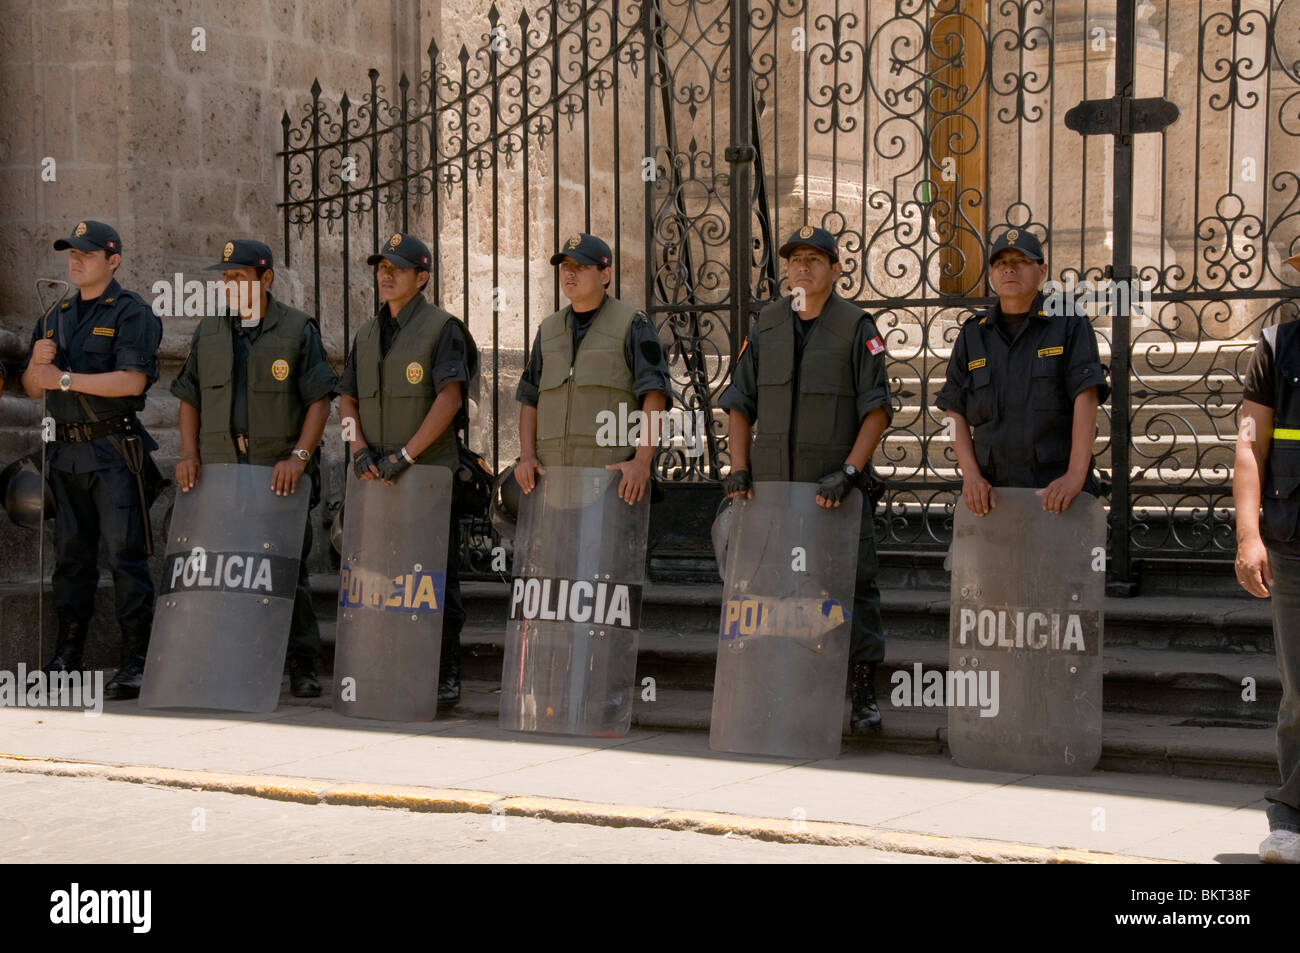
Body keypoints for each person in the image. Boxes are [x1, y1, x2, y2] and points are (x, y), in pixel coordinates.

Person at [719, 225, 893, 734]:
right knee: (773, 589)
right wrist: (739, 468)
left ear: (836, 270)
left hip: (833, 495)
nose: (802, 267)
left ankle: (861, 693)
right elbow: (739, 403)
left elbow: (877, 410)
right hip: (773, 493)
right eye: (795, 259)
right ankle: (779, 681)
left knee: (851, 591)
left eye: (815, 259)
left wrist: (850, 471)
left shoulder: (858, 327)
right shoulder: (767, 325)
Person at [169, 239, 337, 698]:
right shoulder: (209, 332)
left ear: (265, 280)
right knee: (224, 568)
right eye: (225, 279)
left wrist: (299, 458)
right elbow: (189, 398)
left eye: (239, 278)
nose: (230, 286)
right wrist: (189, 455)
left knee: (285, 570)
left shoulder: (298, 329)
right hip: (221, 473)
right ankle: (230, 658)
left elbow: (319, 401)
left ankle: (301, 664)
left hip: (275, 473)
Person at [20, 220, 163, 699]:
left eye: (86, 253)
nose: (75, 260)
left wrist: (61, 378)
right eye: (70, 253)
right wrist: (37, 368)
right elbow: (29, 386)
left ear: (113, 260)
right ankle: (68, 655)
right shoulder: (55, 313)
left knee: (127, 557)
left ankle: (136, 660)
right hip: (65, 452)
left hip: (113, 451)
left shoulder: (131, 312)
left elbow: (131, 382)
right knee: (71, 560)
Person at [337, 232, 479, 706]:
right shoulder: (366, 332)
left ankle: (444, 675)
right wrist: (357, 447)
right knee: (379, 577)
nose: (386, 273)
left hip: (426, 475)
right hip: (375, 473)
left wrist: (408, 456)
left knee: (433, 577)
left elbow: (450, 397)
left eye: (397, 267)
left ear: (422, 277)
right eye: (381, 266)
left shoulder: (443, 328)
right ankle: (384, 668)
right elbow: (347, 396)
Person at [935, 229, 1109, 517]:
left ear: (1042, 271)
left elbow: (1086, 396)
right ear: (991, 273)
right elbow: (953, 410)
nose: (1010, 268)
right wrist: (971, 475)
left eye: (1021, 261)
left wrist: (1075, 476)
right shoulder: (972, 335)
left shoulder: (1067, 323)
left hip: (1055, 491)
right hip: (994, 495)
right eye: (1001, 263)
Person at [514, 232, 672, 500]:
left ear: (605, 275)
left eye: (581, 267)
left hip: (611, 486)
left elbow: (654, 394)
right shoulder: (548, 330)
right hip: (551, 486)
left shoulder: (633, 324)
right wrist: (527, 456)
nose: (570, 274)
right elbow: (530, 397)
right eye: (565, 267)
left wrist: (642, 462)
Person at [1232, 247, 1300, 865]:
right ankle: (1290, 820)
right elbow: (1250, 444)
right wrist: (1248, 536)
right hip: (1293, 539)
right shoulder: (1278, 346)